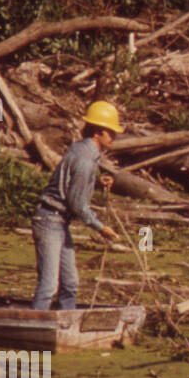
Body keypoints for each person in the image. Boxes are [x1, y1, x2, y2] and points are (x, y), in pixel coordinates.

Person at [30, 100, 123, 310]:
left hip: (59, 221)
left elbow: (71, 182)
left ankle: (66, 323)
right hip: (49, 220)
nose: (114, 137)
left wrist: (97, 182)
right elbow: (78, 204)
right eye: (111, 133)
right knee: (49, 285)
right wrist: (101, 228)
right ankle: (34, 327)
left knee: (70, 284)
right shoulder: (85, 160)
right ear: (98, 133)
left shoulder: (81, 149)